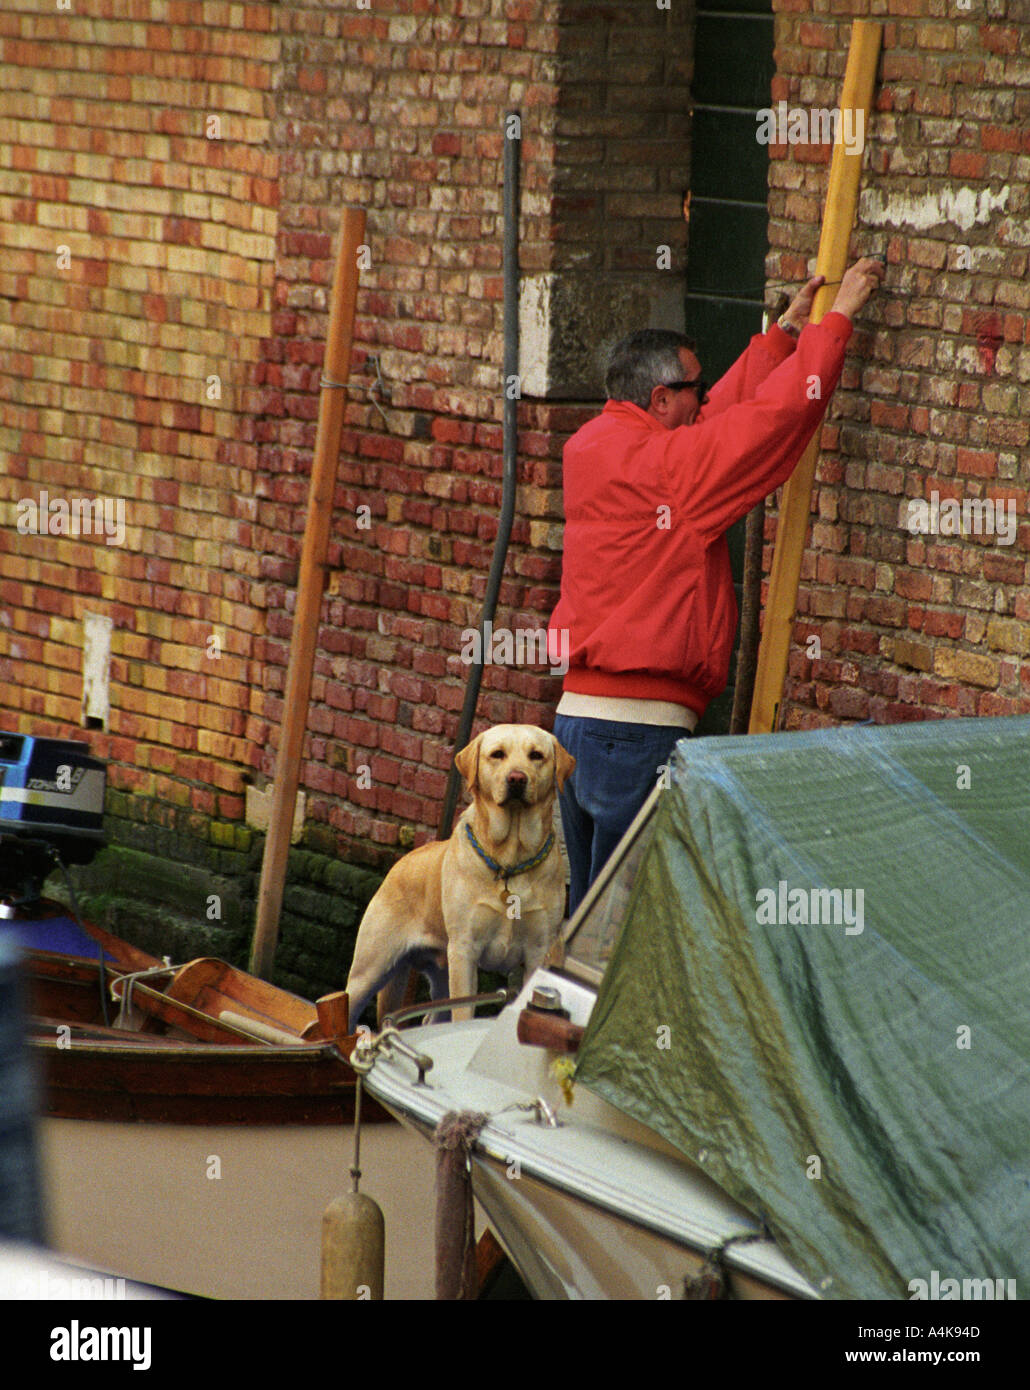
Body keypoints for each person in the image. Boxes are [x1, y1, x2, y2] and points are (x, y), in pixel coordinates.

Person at [549, 258, 886, 913]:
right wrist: (836, 321)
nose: (704, 397)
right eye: (695, 388)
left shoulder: (596, 447)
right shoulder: (670, 472)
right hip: (636, 734)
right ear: (660, 399)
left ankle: (563, 1015)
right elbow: (773, 422)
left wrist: (781, 336)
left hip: (578, 725)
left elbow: (708, 429)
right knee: (626, 923)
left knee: (585, 919)